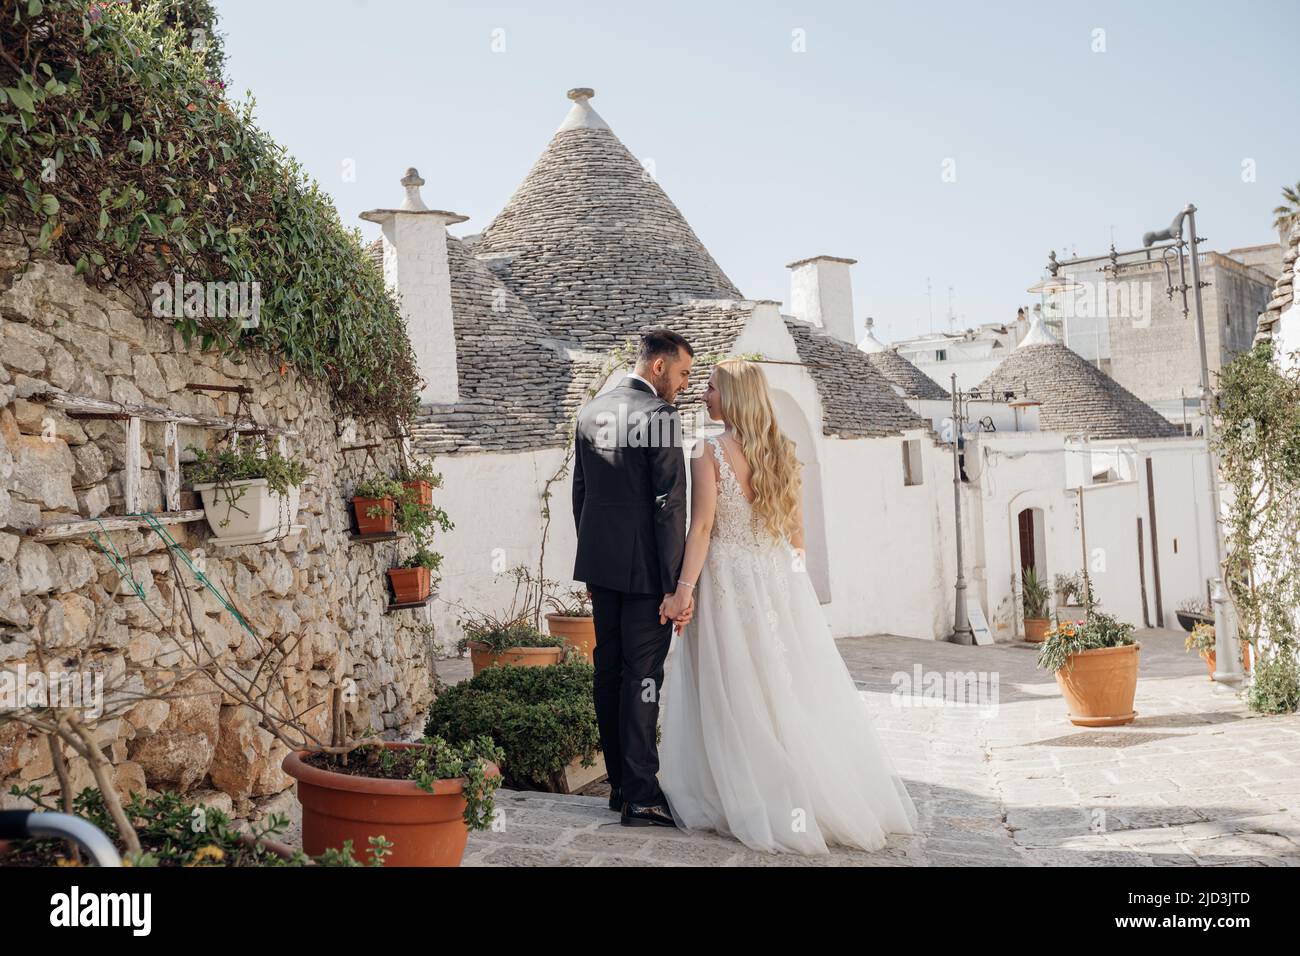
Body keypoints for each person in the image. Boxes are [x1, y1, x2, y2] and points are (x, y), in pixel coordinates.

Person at [658, 359, 919, 854]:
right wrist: (786, 589)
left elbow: (703, 529)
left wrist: (683, 591)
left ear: (732, 396)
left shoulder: (708, 450)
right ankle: (801, 789)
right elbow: (796, 536)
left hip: (727, 581)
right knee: (782, 682)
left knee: (733, 682)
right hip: (775, 577)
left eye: (711, 387)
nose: (704, 395)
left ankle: (746, 792)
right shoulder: (783, 451)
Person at [572, 328, 695, 827]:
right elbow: (670, 504)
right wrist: (675, 583)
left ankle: (621, 785)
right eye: (684, 373)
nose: (685, 384)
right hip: (647, 573)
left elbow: (580, 495)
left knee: (609, 670)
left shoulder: (590, 411)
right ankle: (642, 794)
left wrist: (596, 553)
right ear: (659, 367)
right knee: (643, 677)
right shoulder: (661, 417)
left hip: (601, 567)